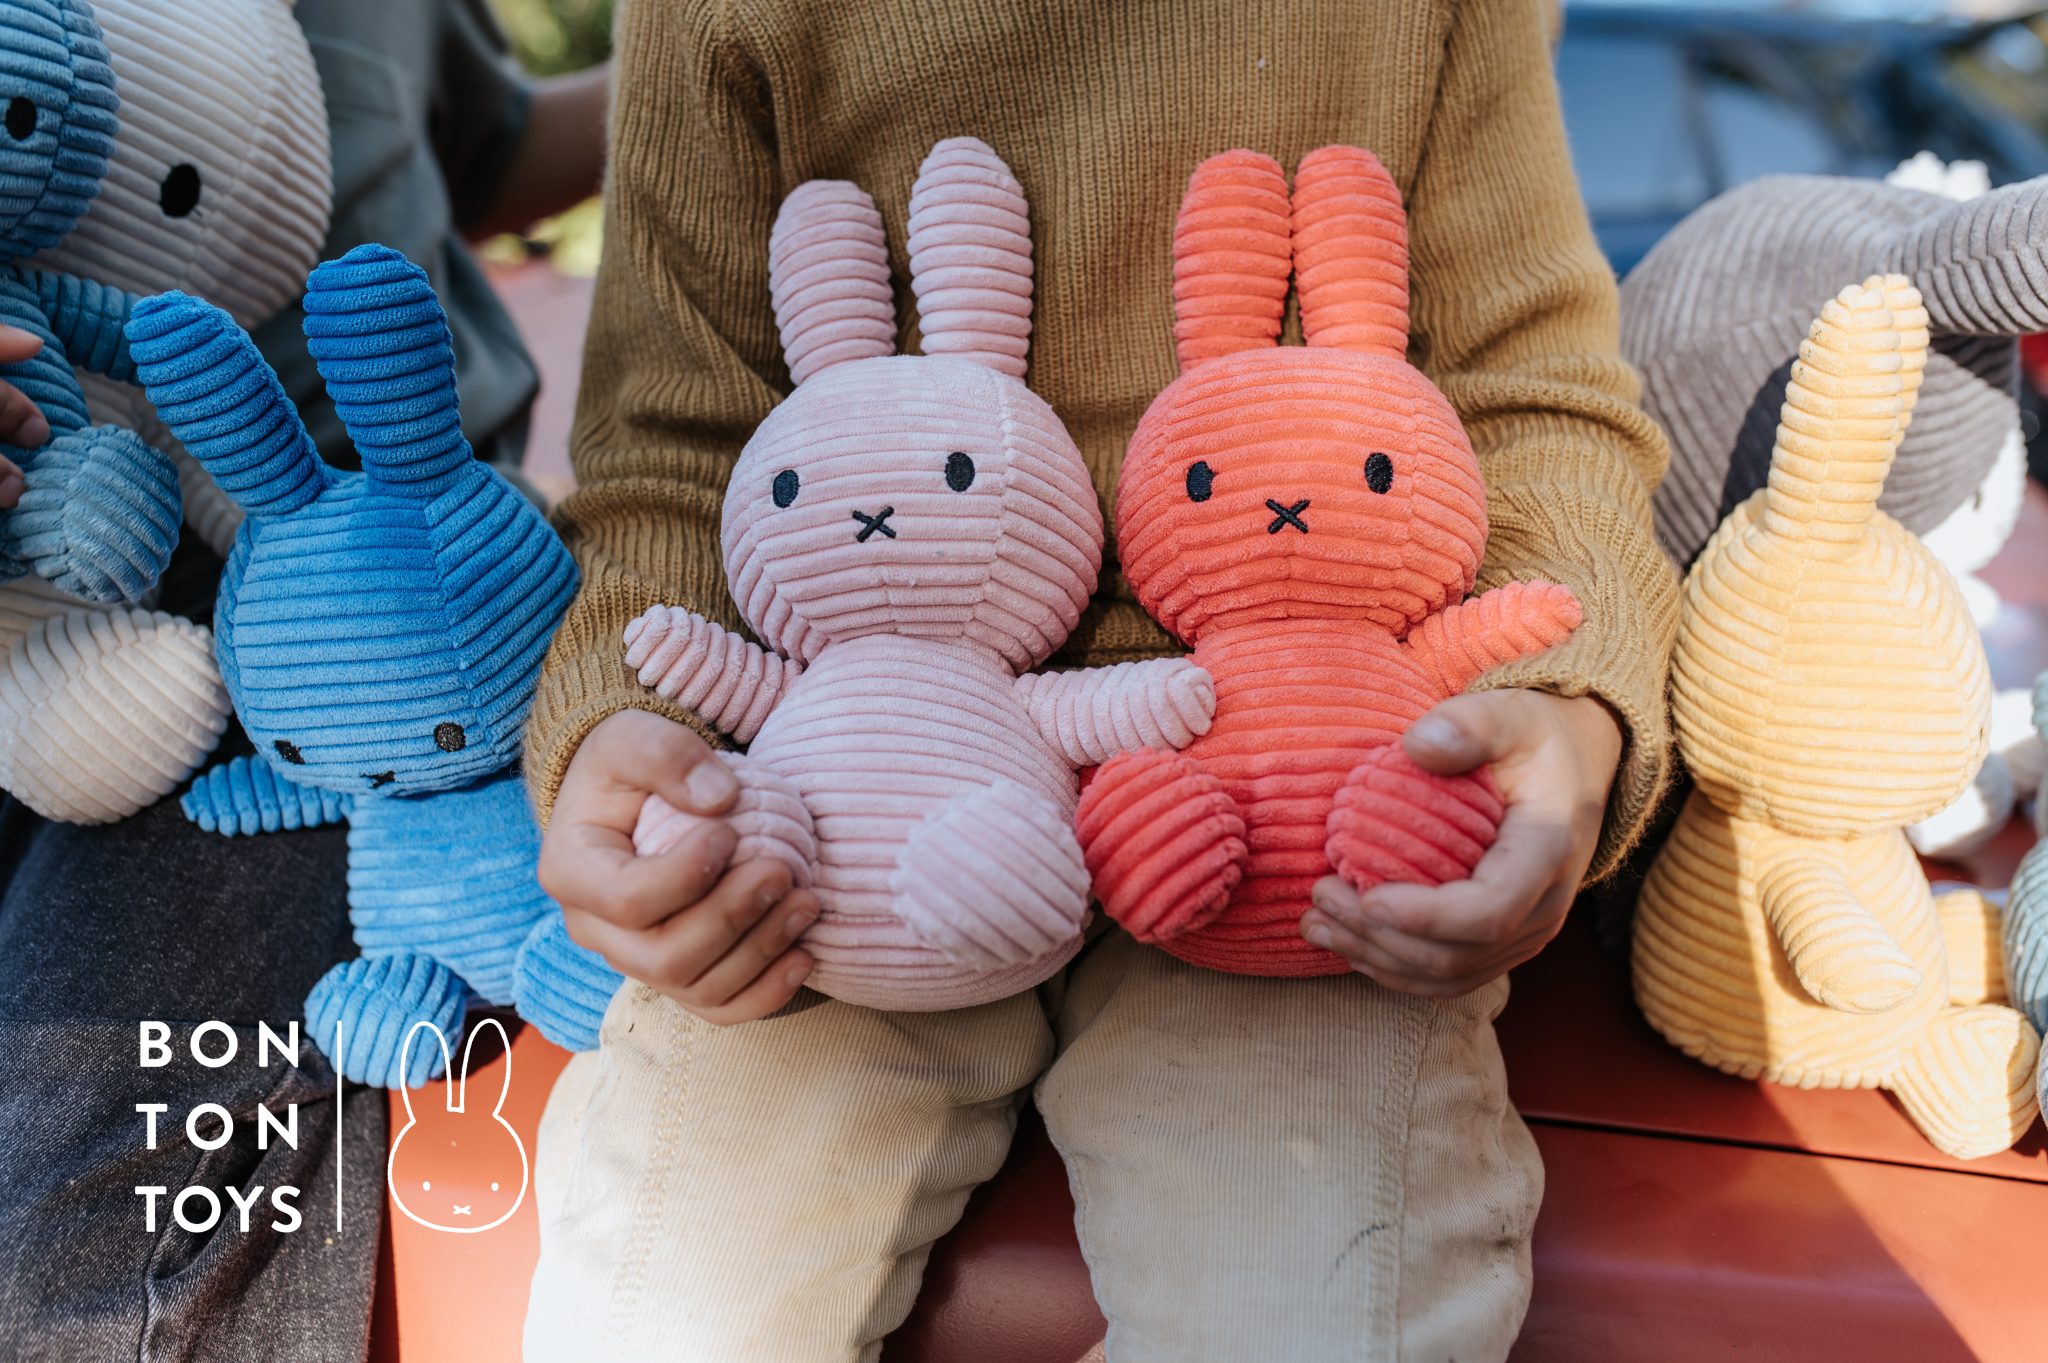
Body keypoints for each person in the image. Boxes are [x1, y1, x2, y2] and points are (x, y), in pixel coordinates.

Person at [523, 1, 1680, 1359]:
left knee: (1304, 1318)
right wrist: (629, 727)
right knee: (660, 1319)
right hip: (835, 818)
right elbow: (674, 444)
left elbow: (1533, 388)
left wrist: (1567, 714)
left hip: (1300, 824)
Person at [0, 3, 605, 1357]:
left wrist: (719, 62)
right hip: (60, 595)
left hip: (361, 626)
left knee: (79, 1227)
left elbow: (486, 141)